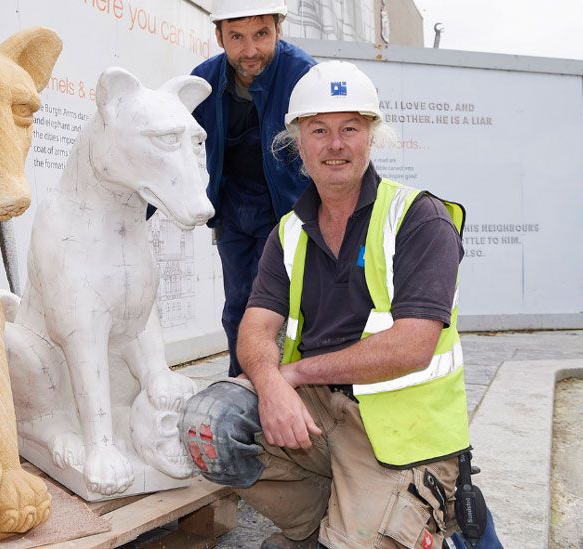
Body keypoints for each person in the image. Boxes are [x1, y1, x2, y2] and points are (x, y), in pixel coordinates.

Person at [179, 61, 501, 548]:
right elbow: (255, 327)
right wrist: (270, 382)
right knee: (209, 423)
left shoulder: (418, 218)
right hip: (319, 417)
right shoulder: (289, 231)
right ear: (297, 142)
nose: (335, 144)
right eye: (319, 130)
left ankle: (410, 511)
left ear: (372, 135)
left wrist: (295, 376)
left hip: (399, 432)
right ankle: (320, 525)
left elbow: (413, 345)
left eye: (350, 128)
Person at [191, 0, 316, 377]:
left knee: (272, 308)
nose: (249, 51)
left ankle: (279, 391)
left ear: (279, 28)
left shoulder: (303, 76)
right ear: (219, 36)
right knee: (236, 306)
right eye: (236, 37)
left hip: (284, 212)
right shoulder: (203, 81)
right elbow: (176, 146)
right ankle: (240, 386)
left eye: (261, 34)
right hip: (231, 211)